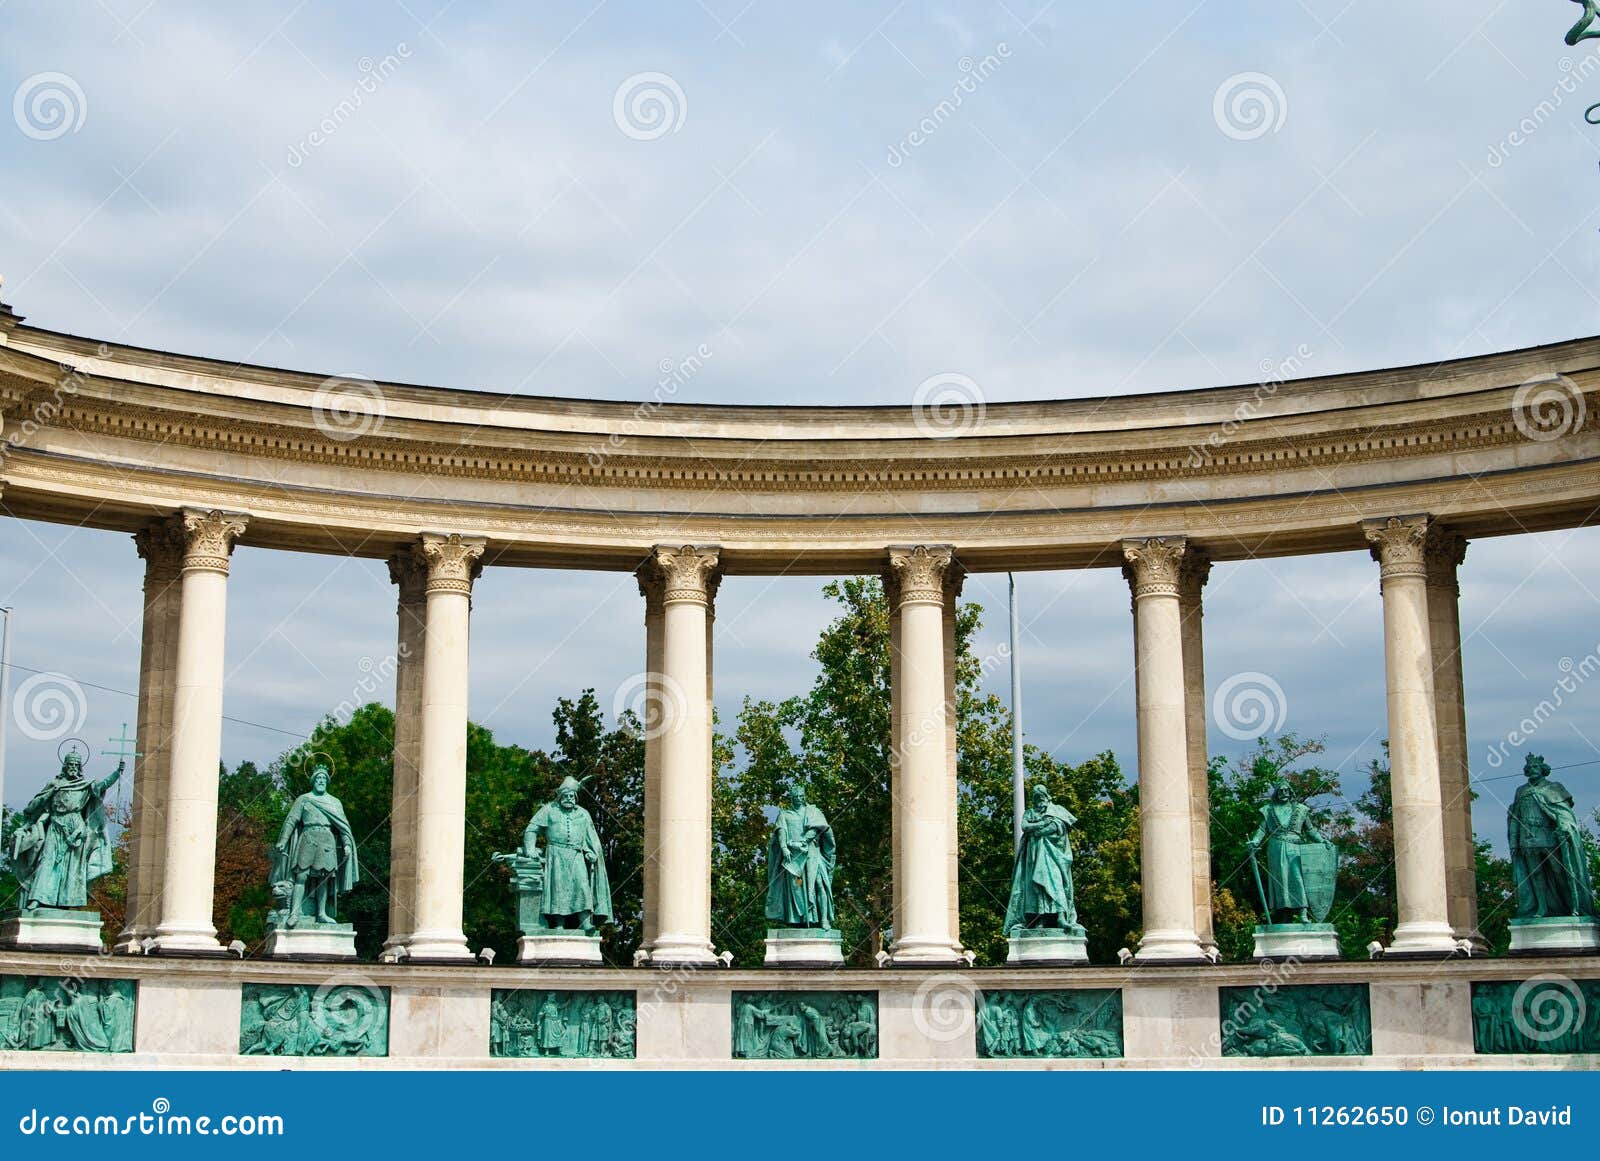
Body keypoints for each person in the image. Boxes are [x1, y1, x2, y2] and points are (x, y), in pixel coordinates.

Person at [11, 749, 123, 910]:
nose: (73, 767)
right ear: (65, 766)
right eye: (70, 764)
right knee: (47, 860)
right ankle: (37, 898)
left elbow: (102, 785)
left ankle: (67, 901)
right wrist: (49, 795)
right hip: (57, 825)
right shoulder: (54, 784)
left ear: (80, 767)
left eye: (76, 764)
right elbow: (37, 805)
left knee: (73, 866)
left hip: (76, 827)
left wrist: (117, 773)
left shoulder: (85, 785)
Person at [1509, 754, 1596, 919]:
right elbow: (1515, 817)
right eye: (1529, 768)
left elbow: (1564, 814)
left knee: (1559, 871)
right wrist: (1514, 840)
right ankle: (1541, 907)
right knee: (1535, 873)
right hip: (1527, 838)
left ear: (1543, 770)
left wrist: (1564, 825)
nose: (1532, 770)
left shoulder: (1554, 788)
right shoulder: (1521, 791)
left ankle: (1571, 904)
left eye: (1535, 767)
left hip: (1548, 836)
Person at [272, 765, 359, 927]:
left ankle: (321, 913)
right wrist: (283, 840)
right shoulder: (303, 799)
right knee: (301, 876)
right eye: (318, 778)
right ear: (313, 781)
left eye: (324, 778)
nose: (321, 781)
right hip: (308, 838)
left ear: (327, 781)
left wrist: (347, 844)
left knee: (324, 878)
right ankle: (294, 912)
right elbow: (292, 820)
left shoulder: (334, 802)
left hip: (327, 841)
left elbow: (343, 826)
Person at [524, 777, 613, 931]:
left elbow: (590, 837)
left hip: (576, 855)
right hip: (556, 854)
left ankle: (585, 923)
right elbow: (532, 829)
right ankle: (559, 924)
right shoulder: (549, 809)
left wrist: (591, 852)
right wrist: (530, 849)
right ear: (560, 796)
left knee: (582, 886)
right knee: (557, 887)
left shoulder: (583, 814)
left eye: (572, 796)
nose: (569, 799)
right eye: (565, 796)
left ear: (576, 797)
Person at [1248, 780, 1332, 923]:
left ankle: (1303, 913)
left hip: (1296, 850)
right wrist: (1255, 841)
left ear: (1291, 792)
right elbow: (1262, 829)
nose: (1284, 793)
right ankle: (1284, 916)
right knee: (1281, 883)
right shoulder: (1268, 810)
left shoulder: (1301, 809)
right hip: (1277, 849)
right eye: (1280, 790)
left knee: (1298, 879)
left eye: (1286, 790)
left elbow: (1310, 830)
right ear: (1276, 793)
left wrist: (1322, 840)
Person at [1003, 784, 1078, 932]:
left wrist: (1037, 829)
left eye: (1042, 796)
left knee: (1056, 884)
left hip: (1053, 856)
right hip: (1034, 856)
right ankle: (1040, 919)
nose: (1040, 800)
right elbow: (1024, 826)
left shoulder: (1057, 810)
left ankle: (1061, 917)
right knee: (1036, 888)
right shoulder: (1029, 813)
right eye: (1036, 797)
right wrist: (1042, 824)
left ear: (1047, 796)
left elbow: (1058, 827)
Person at [764, 784, 836, 929]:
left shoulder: (813, 811)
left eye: (801, 796)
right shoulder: (785, 814)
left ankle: (823, 919)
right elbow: (781, 831)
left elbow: (818, 828)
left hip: (811, 854)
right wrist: (784, 847)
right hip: (794, 858)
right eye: (795, 797)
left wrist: (804, 841)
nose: (798, 799)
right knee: (798, 885)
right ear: (791, 798)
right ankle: (799, 919)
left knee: (819, 883)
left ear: (804, 797)